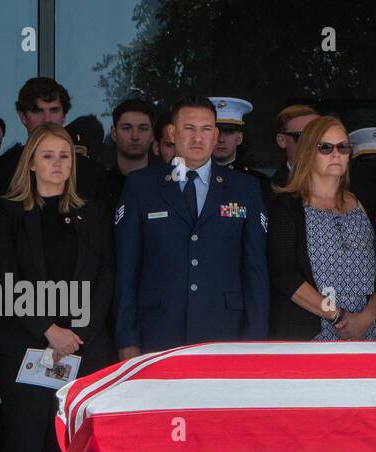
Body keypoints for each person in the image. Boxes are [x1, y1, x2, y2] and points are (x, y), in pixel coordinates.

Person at [0, 123, 113, 452]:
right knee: (22, 450)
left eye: (65, 156)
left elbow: (105, 277)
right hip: (23, 345)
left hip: (82, 347)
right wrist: (48, 329)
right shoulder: (6, 213)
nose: (58, 164)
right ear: (31, 163)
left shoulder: (92, 213)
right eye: (48, 156)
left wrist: (78, 332)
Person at [113, 94, 269, 356]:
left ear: (216, 133)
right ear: (172, 133)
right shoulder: (141, 186)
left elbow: (255, 272)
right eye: (189, 128)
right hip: (158, 332)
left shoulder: (246, 189)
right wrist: (127, 338)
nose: (198, 138)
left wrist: (254, 341)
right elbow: (126, 269)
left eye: (206, 129)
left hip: (225, 335)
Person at [268, 116, 376, 341]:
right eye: (325, 147)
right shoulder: (288, 206)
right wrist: (337, 316)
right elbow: (283, 272)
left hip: (366, 333)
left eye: (343, 147)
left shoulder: (365, 202)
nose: (336, 154)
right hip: (310, 334)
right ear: (306, 152)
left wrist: (366, 318)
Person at [0, 77, 107, 211]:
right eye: (37, 111)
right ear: (22, 116)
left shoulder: (92, 172)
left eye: (54, 110)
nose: (47, 119)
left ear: (64, 116)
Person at [209, 96, 271, 197]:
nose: (221, 139)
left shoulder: (257, 182)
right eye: (216, 132)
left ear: (239, 138)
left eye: (229, 132)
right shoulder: (190, 177)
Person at [105, 98, 155, 207]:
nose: (135, 136)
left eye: (143, 129)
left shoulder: (166, 185)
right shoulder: (99, 186)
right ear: (114, 133)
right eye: (127, 128)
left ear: (152, 135)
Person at [270, 103, 319, 193]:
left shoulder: (347, 184)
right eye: (304, 136)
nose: (314, 142)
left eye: (320, 135)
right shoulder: (265, 191)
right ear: (282, 141)